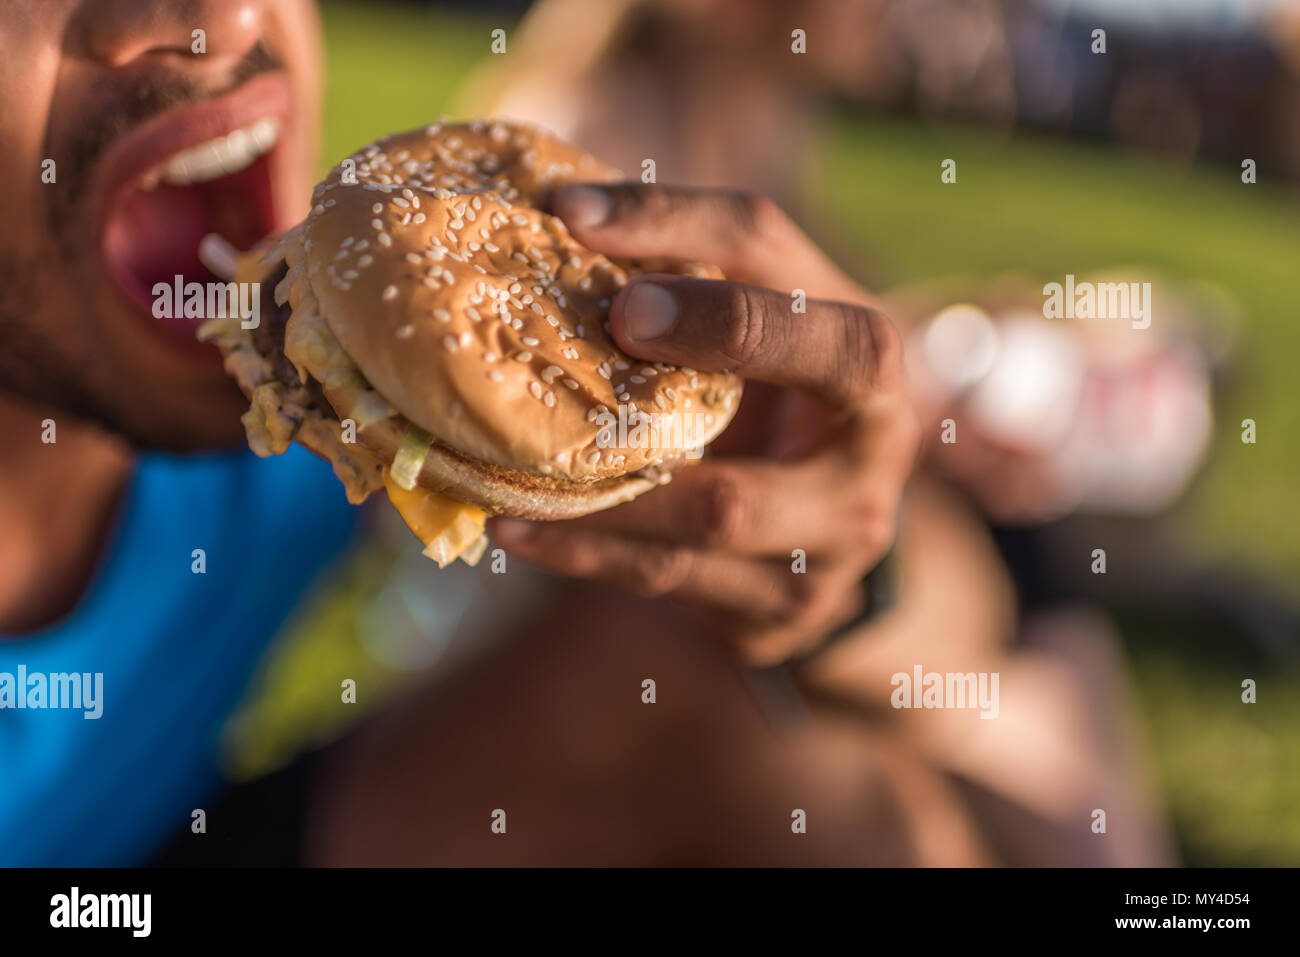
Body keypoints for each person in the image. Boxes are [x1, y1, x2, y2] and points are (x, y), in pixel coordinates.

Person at [1, 0, 964, 866]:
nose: (227, 19)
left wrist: (845, 569)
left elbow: (956, 616)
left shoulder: (318, 401)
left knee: (765, 750)